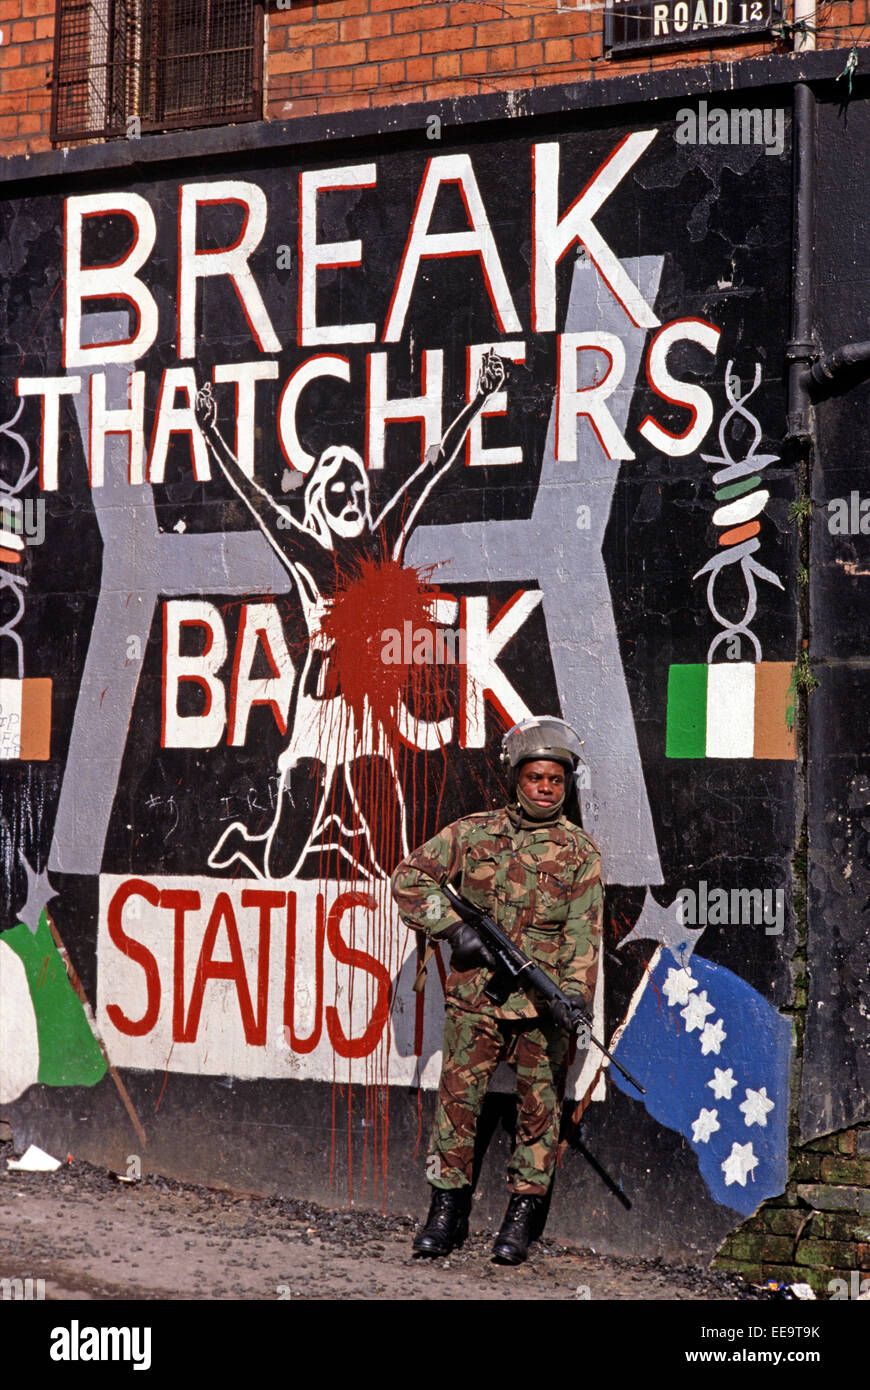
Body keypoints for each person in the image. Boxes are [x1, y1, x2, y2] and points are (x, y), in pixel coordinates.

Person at [193, 352, 505, 880]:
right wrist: (210, 435)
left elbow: (431, 470)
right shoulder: (310, 556)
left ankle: (354, 841)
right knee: (279, 864)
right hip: (317, 717)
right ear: (320, 501)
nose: (353, 499)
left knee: (393, 861)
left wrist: (477, 399)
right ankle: (251, 844)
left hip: (367, 716)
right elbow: (256, 501)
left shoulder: (383, 542)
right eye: (340, 492)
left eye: (359, 489)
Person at [390, 716, 602, 1264]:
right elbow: (410, 878)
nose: (545, 788)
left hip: (540, 1004)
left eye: (556, 780)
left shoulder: (580, 853)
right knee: (458, 1106)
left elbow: (583, 931)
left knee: (540, 1112)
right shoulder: (473, 833)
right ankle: (446, 1213)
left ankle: (520, 1220)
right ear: (516, 779)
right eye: (535, 778)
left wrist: (574, 995)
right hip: (476, 999)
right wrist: (455, 930)